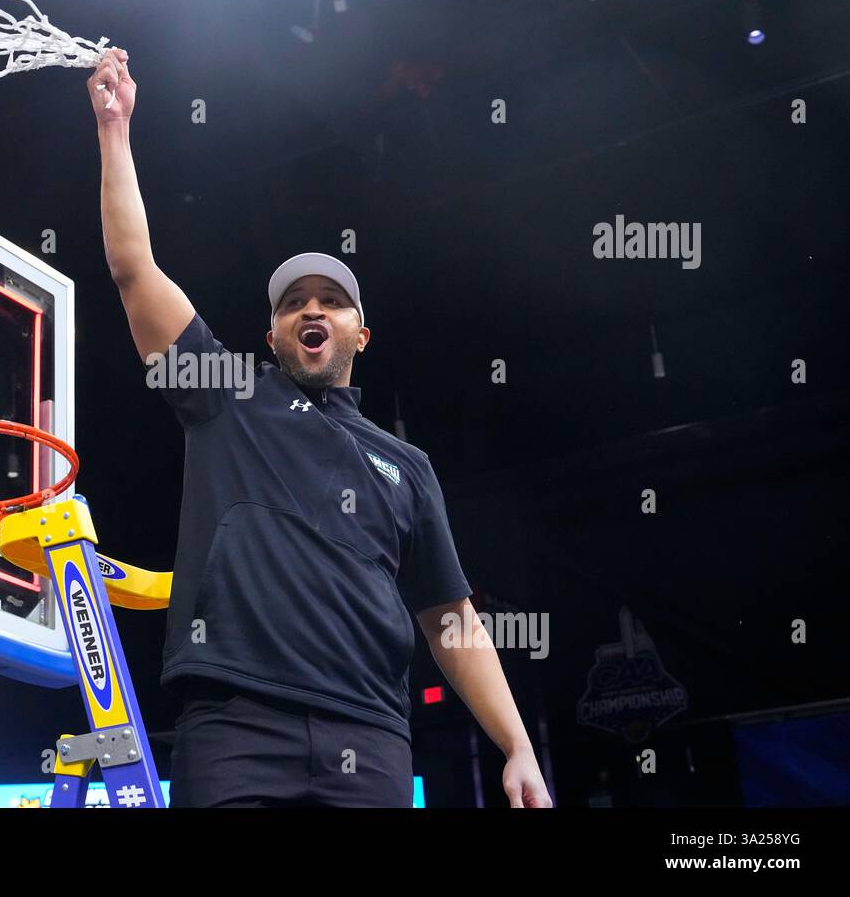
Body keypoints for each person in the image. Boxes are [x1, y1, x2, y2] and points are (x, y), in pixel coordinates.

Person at [88, 48, 552, 808]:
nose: (311, 309)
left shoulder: (408, 466)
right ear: (271, 337)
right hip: (234, 727)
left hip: (370, 736)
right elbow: (135, 270)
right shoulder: (225, 395)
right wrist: (115, 130)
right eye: (293, 301)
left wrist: (518, 745)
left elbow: (450, 617)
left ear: (359, 335)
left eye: (330, 301)